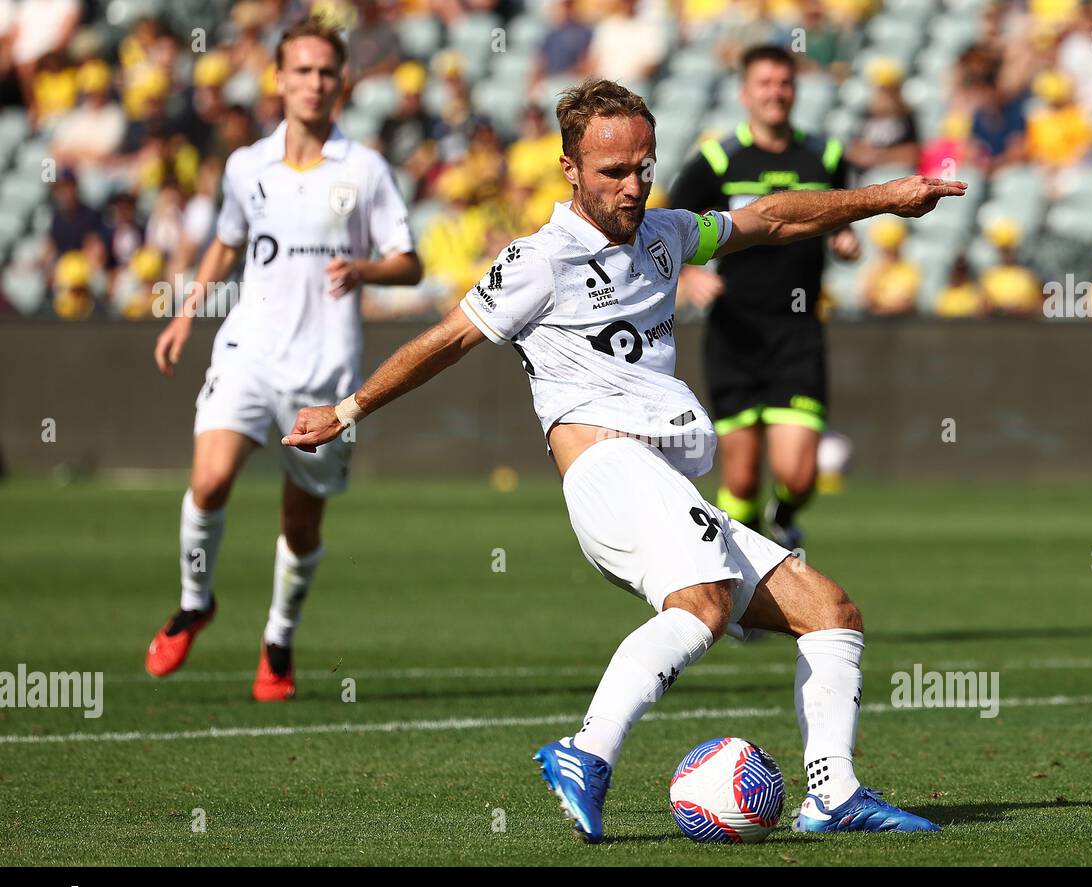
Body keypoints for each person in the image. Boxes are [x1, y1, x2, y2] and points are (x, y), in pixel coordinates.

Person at [282, 78, 965, 842]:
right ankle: (587, 752)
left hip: (662, 479)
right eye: (613, 171)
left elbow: (770, 219)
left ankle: (832, 793)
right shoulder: (538, 261)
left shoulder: (665, 234)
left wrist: (886, 195)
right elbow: (447, 341)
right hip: (609, 471)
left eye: (643, 166)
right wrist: (346, 412)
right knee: (701, 604)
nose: (633, 185)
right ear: (570, 168)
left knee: (830, 614)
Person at [144, 15, 421, 700]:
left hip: (325, 370)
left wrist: (366, 271)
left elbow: (410, 265)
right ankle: (194, 601)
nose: (314, 83)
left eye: (327, 71)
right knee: (208, 481)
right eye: (302, 70)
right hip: (249, 349)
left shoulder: (365, 169)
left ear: (343, 82)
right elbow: (227, 242)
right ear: (279, 79)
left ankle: (277, 640)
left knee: (299, 523)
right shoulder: (246, 167)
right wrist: (187, 310)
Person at [669, 45, 859, 550]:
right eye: (765, 83)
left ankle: (786, 513)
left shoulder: (825, 157)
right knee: (742, 479)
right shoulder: (716, 160)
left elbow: (841, 218)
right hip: (734, 333)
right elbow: (663, 231)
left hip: (797, 333)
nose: (776, 92)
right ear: (744, 93)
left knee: (799, 476)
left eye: (785, 83)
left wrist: (845, 238)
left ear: (795, 91)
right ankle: (743, 578)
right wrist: (688, 276)